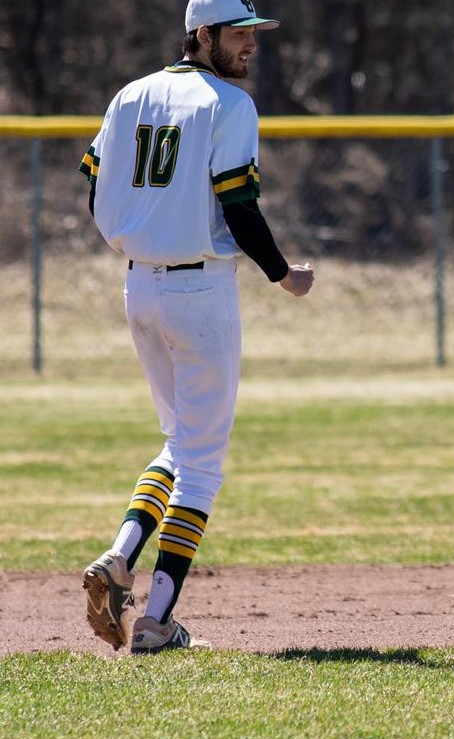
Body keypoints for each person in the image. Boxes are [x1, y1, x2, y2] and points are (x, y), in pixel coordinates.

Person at [78, 0, 314, 655]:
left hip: (140, 285)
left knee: (179, 443)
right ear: (201, 34)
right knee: (201, 467)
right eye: (238, 34)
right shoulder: (228, 105)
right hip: (200, 291)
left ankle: (121, 554)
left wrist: (143, 230)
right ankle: (154, 622)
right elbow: (238, 204)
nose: (249, 46)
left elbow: (92, 185)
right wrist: (282, 275)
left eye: (252, 34)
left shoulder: (130, 95)